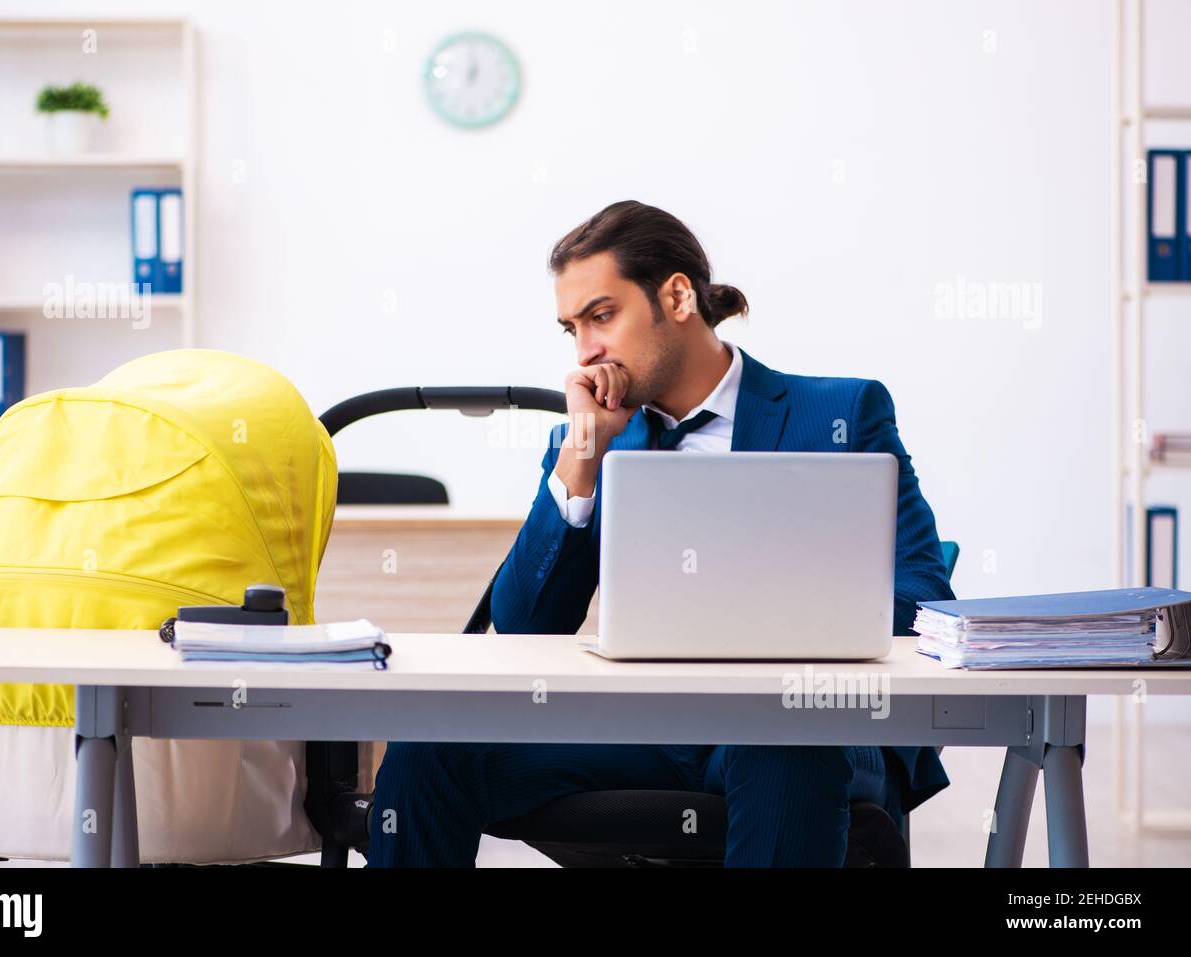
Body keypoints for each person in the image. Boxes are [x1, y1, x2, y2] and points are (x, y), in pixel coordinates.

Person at [367, 200, 955, 867]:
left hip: (803, 720)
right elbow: (525, 630)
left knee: (787, 740)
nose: (587, 349)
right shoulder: (587, 442)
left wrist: (810, 629)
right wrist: (583, 457)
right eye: (572, 329)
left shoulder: (841, 411)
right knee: (430, 745)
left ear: (676, 295)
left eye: (602, 315)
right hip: (642, 726)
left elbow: (921, 600)